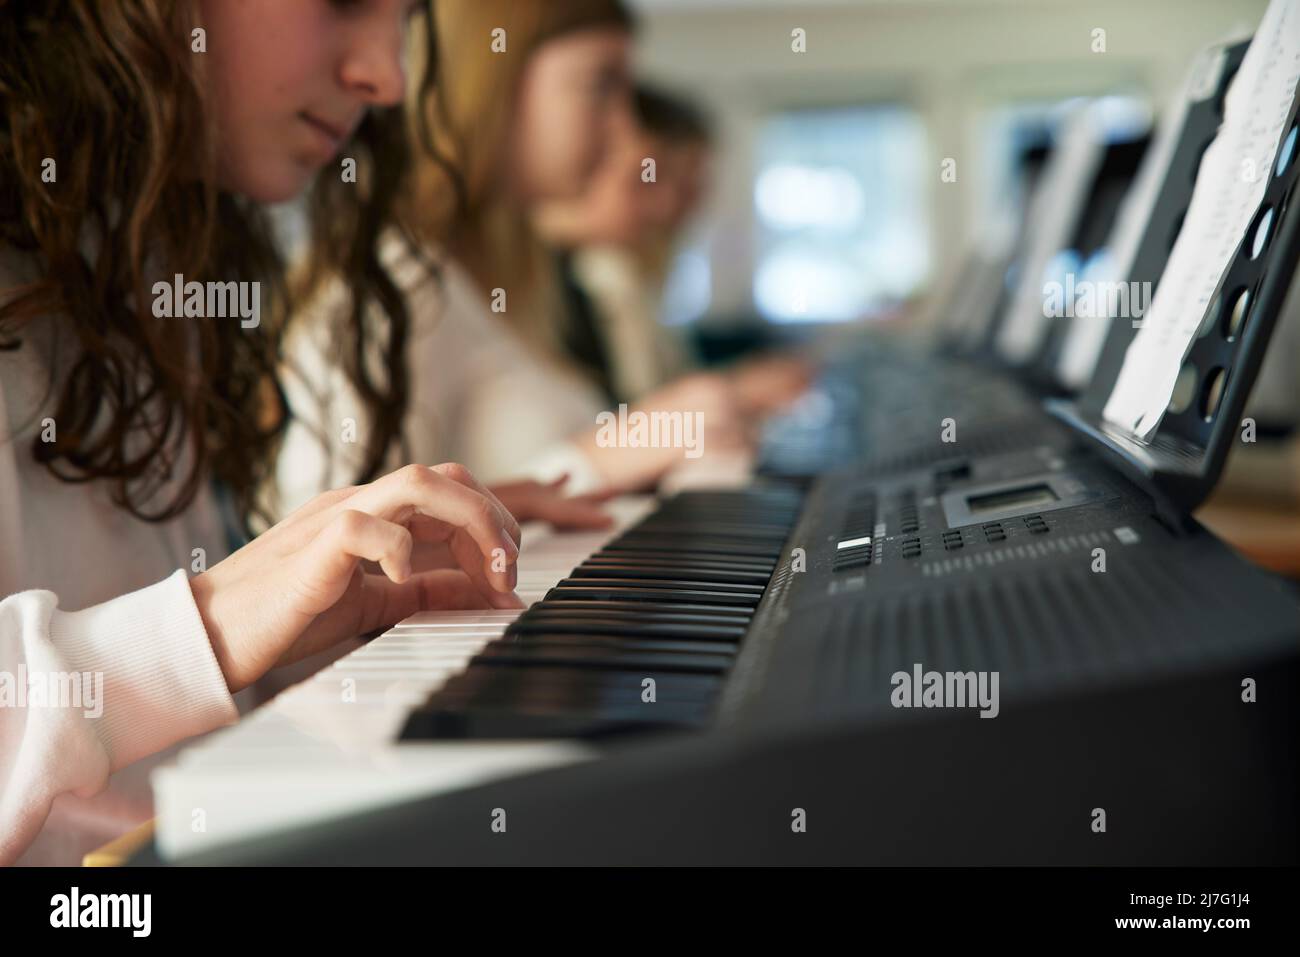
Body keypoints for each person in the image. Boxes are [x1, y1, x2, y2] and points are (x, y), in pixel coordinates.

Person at [0, 0, 525, 866]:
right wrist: (201, 629)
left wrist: (339, 620)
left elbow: (155, 739)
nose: (388, 78)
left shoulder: (157, 247)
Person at [280, 0, 754, 508]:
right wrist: (594, 462)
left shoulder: (509, 277)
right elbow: (335, 546)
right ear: (494, 83)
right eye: (601, 85)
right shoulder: (395, 280)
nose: (626, 132)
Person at [535, 83, 813, 418]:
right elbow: (613, 423)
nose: (667, 207)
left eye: (690, 187)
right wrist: (732, 393)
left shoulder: (621, 275)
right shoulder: (556, 283)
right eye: (645, 180)